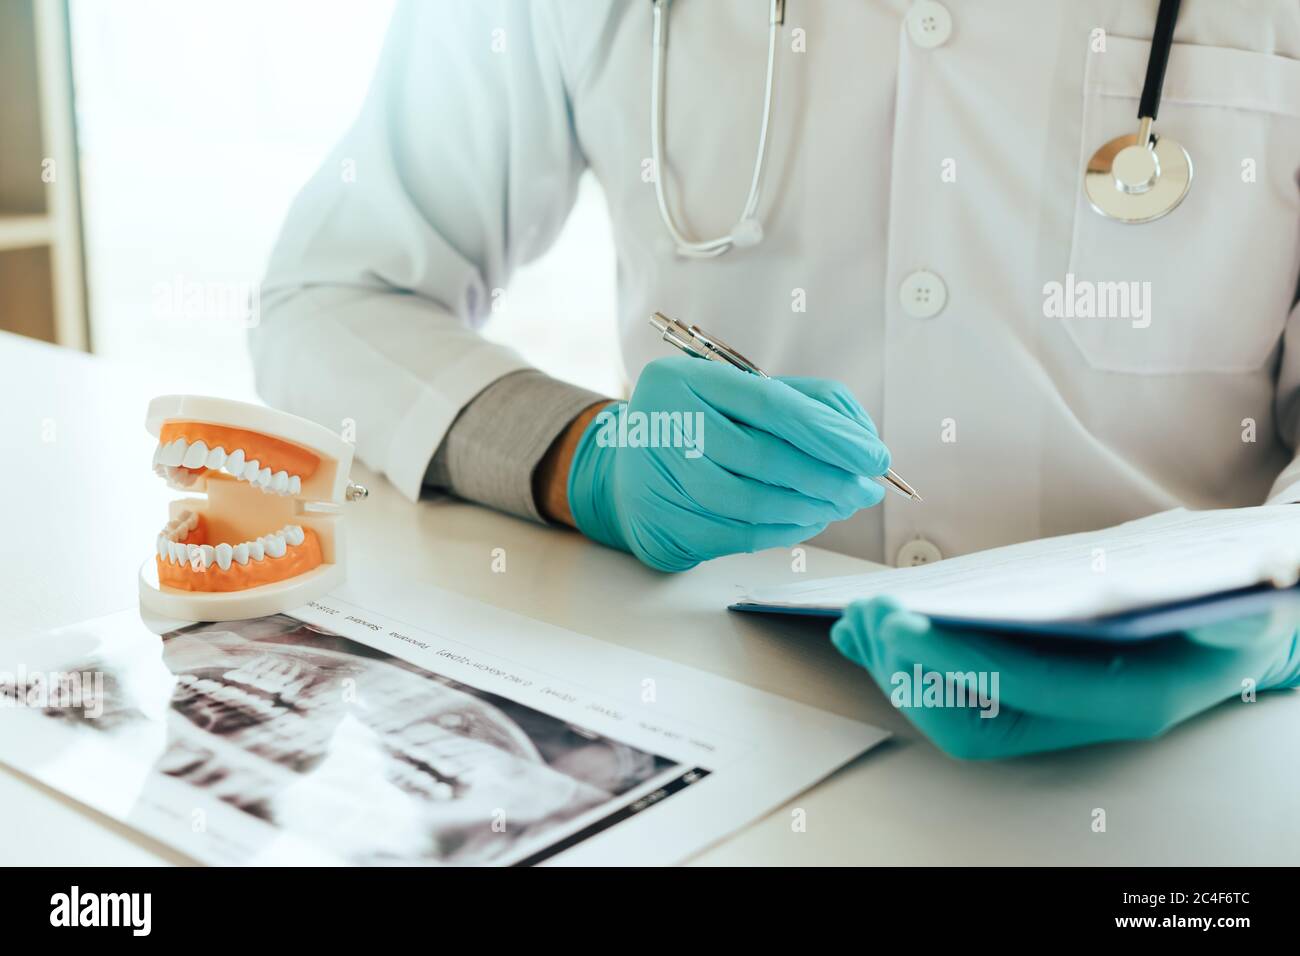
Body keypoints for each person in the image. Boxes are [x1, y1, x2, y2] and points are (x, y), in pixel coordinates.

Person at [251, 1, 1300, 758]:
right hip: (725, 733)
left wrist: (1267, 619)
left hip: (1205, 747)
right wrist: (581, 457)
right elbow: (329, 296)